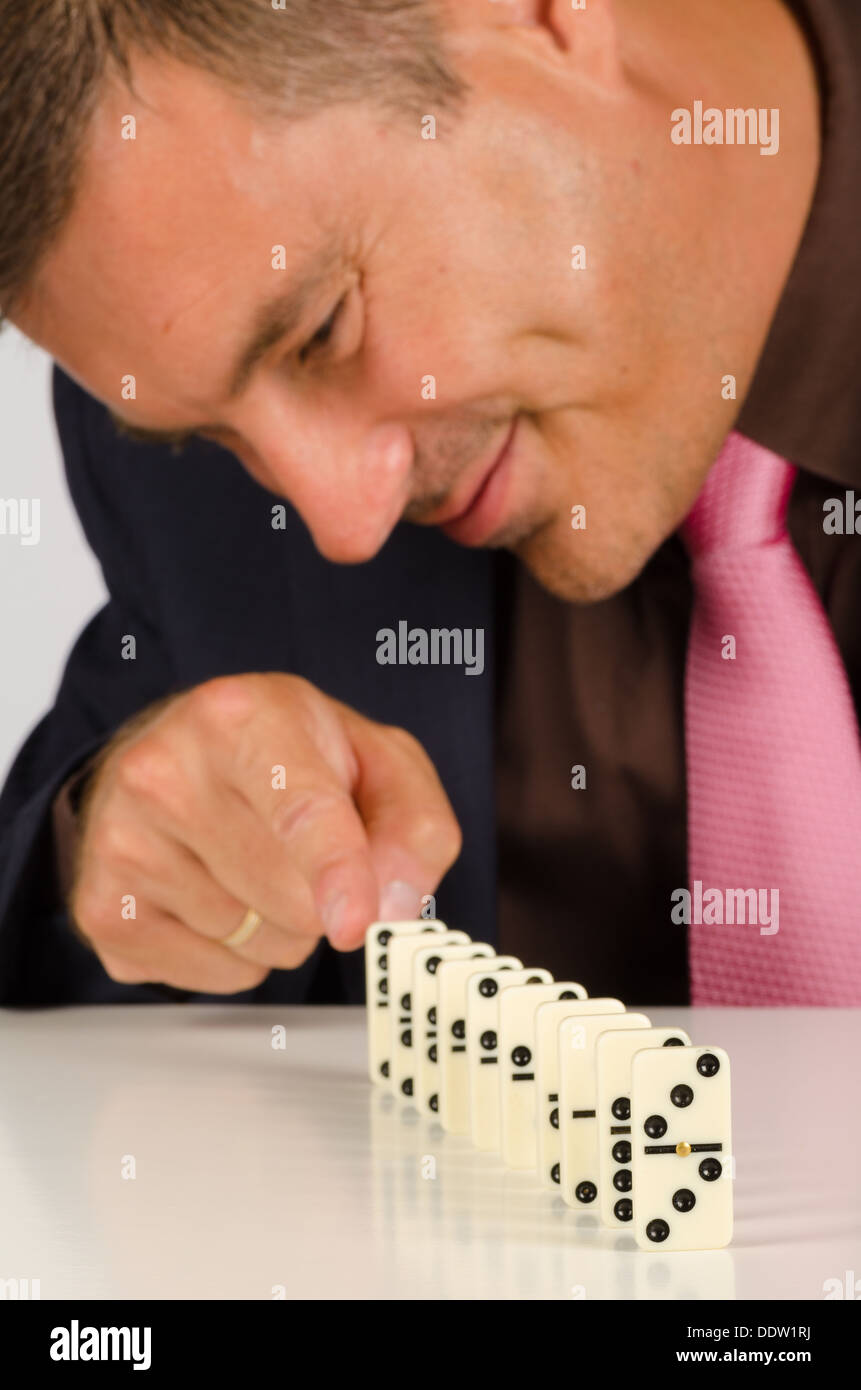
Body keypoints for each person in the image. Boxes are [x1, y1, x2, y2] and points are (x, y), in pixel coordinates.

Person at [1, 0, 858, 1007]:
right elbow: (68, 929)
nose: (341, 520)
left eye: (325, 330)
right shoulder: (178, 432)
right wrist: (128, 853)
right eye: (213, 438)